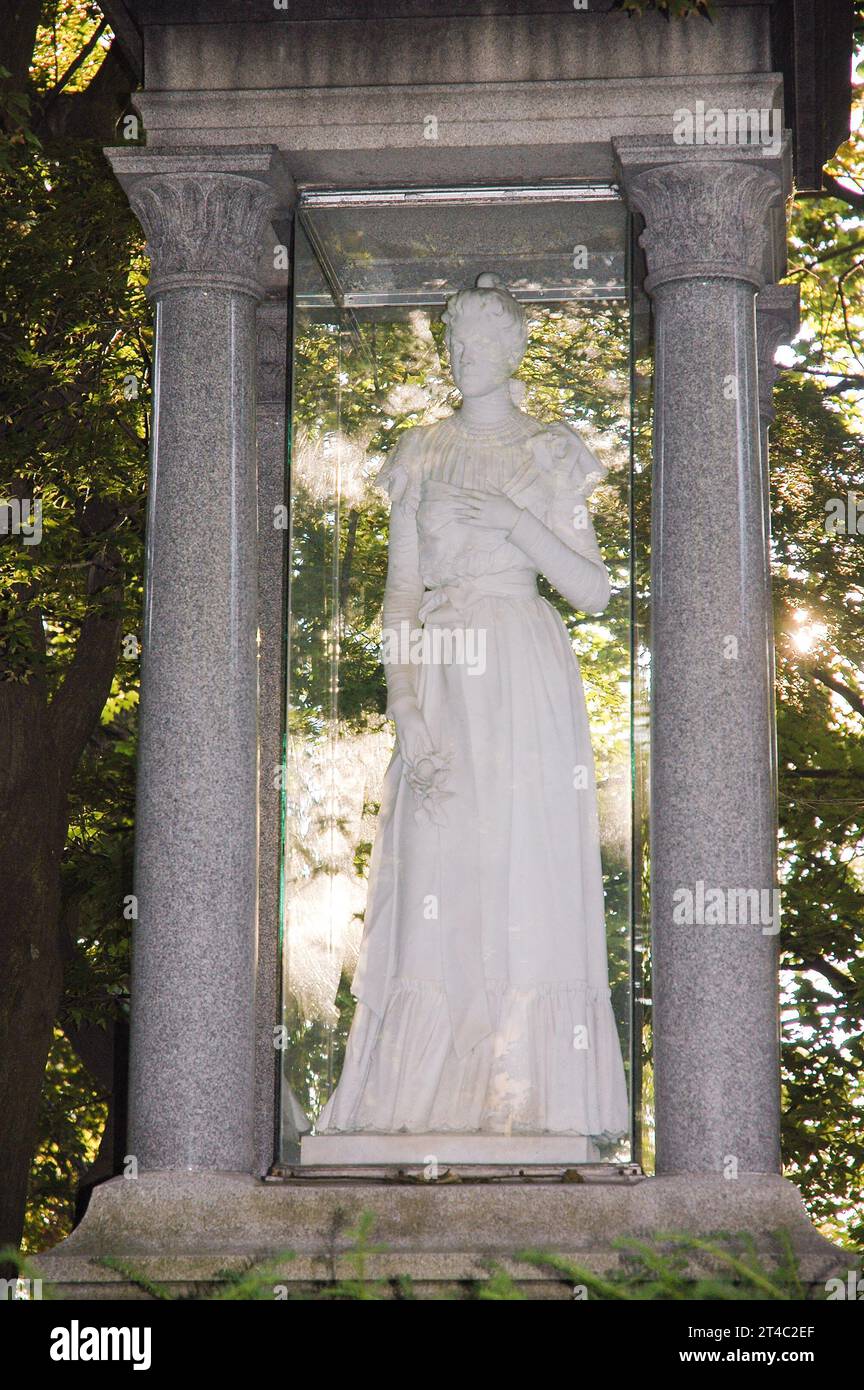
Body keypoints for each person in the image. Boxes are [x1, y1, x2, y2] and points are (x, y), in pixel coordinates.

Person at [317, 273, 629, 1140]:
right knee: (438, 874)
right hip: (445, 676)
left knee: (522, 865)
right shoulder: (420, 452)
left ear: (517, 349)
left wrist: (515, 522)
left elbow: (595, 591)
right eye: (456, 341)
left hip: (524, 670)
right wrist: (406, 711)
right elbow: (400, 599)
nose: (467, 356)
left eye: (485, 341)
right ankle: (419, 1098)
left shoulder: (550, 451)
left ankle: (527, 1100)